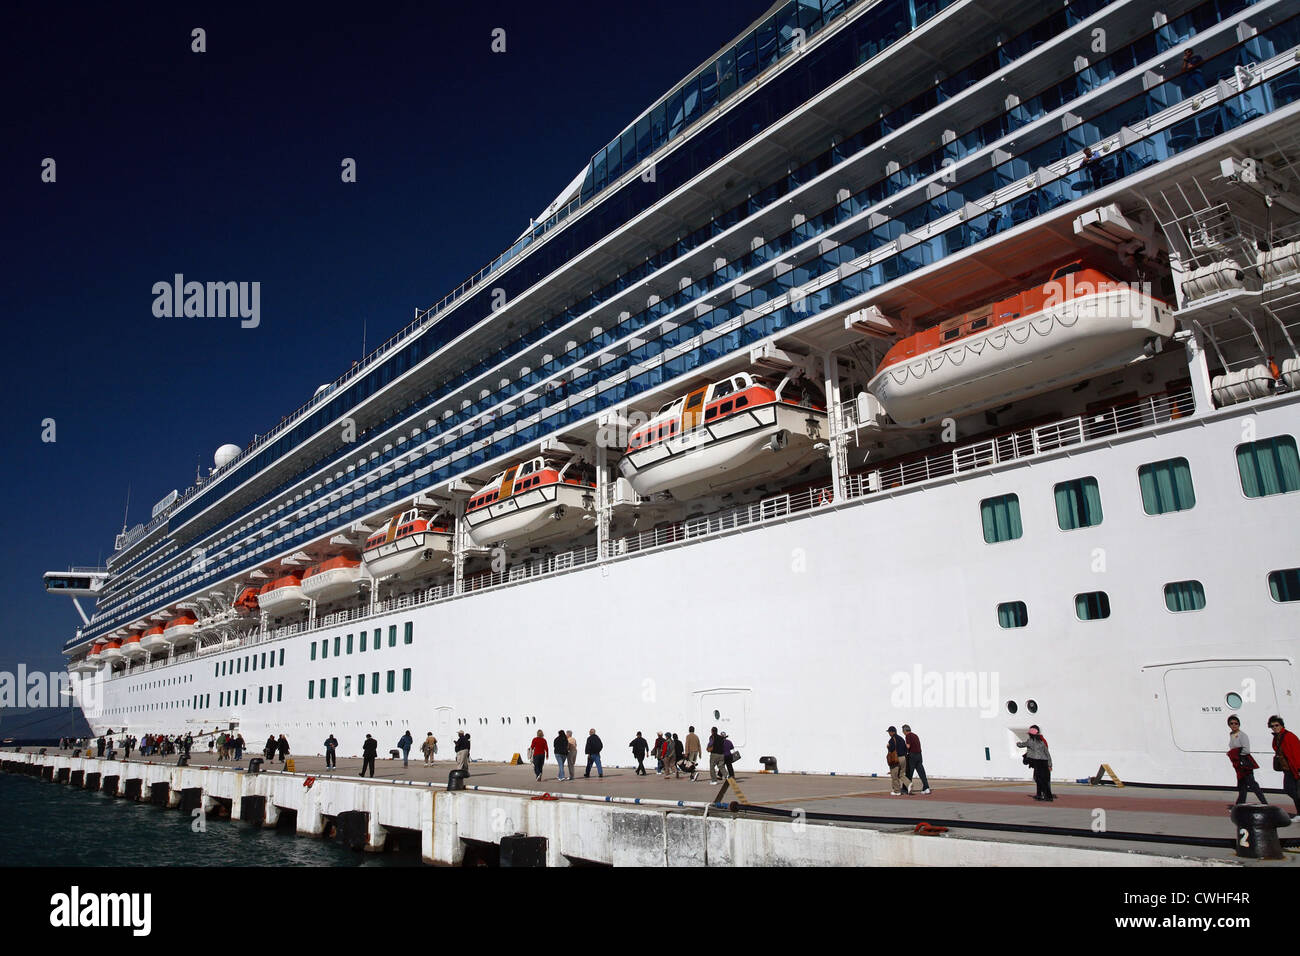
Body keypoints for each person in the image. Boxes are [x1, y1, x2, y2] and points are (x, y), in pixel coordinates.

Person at [1226, 715, 1266, 806]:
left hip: (1244, 762)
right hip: (1238, 763)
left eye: (1236, 723)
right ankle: (1240, 804)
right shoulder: (1232, 734)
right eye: (1231, 723)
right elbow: (1233, 747)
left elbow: (1246, 750)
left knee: (1252, 783)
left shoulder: (1242, 735)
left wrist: (1235, 753)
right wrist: (1230, 753)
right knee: (1242, 784)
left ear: (1239, 724)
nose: (1234, 725)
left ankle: (1264, 802)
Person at [1269, 715, 1300, 818]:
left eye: (1277, 725)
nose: (1274, 727)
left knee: (1295, 792)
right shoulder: (1276, 738)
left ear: (1282, 725)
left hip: (1295, 769)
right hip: (1287, 769)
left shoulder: (1289, 736)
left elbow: (1297, 753)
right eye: (1272, 726)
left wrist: (1299, 768)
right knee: (1289, 790)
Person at [1016, 725, 1054, 801]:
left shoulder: (1030, 741)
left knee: (1039, 779)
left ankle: (1040, 795)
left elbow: (1021, 745)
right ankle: (1048, 796)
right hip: (1045, 761)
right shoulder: (1042, 741)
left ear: (1030, 734)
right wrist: (1050, 765)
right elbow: (1047, 753)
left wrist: (1018, 743)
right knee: (1045, 780)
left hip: (1037, 762)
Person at [901, 724, 931, 794]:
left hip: (912, 756)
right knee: (921, 773)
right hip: (919, 755)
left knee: (909, 773)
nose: (903, 733)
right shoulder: (915, 735)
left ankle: (906, 788)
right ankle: (926, 788)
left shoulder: (908, 736)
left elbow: (908, 746)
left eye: (903, 731)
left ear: (905, 730)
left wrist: (902, 748)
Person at [886, 726, 909, 795]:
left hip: (896, 759)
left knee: (894, 775)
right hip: (903, 758)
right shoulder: (901, 738)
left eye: (889, 732)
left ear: (892, 732)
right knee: (902, 774)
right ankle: (909, 784)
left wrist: (888, 747)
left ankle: (897, 791)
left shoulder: (892, 739)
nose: (889, 733)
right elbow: (906, 748)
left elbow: (891, 749)